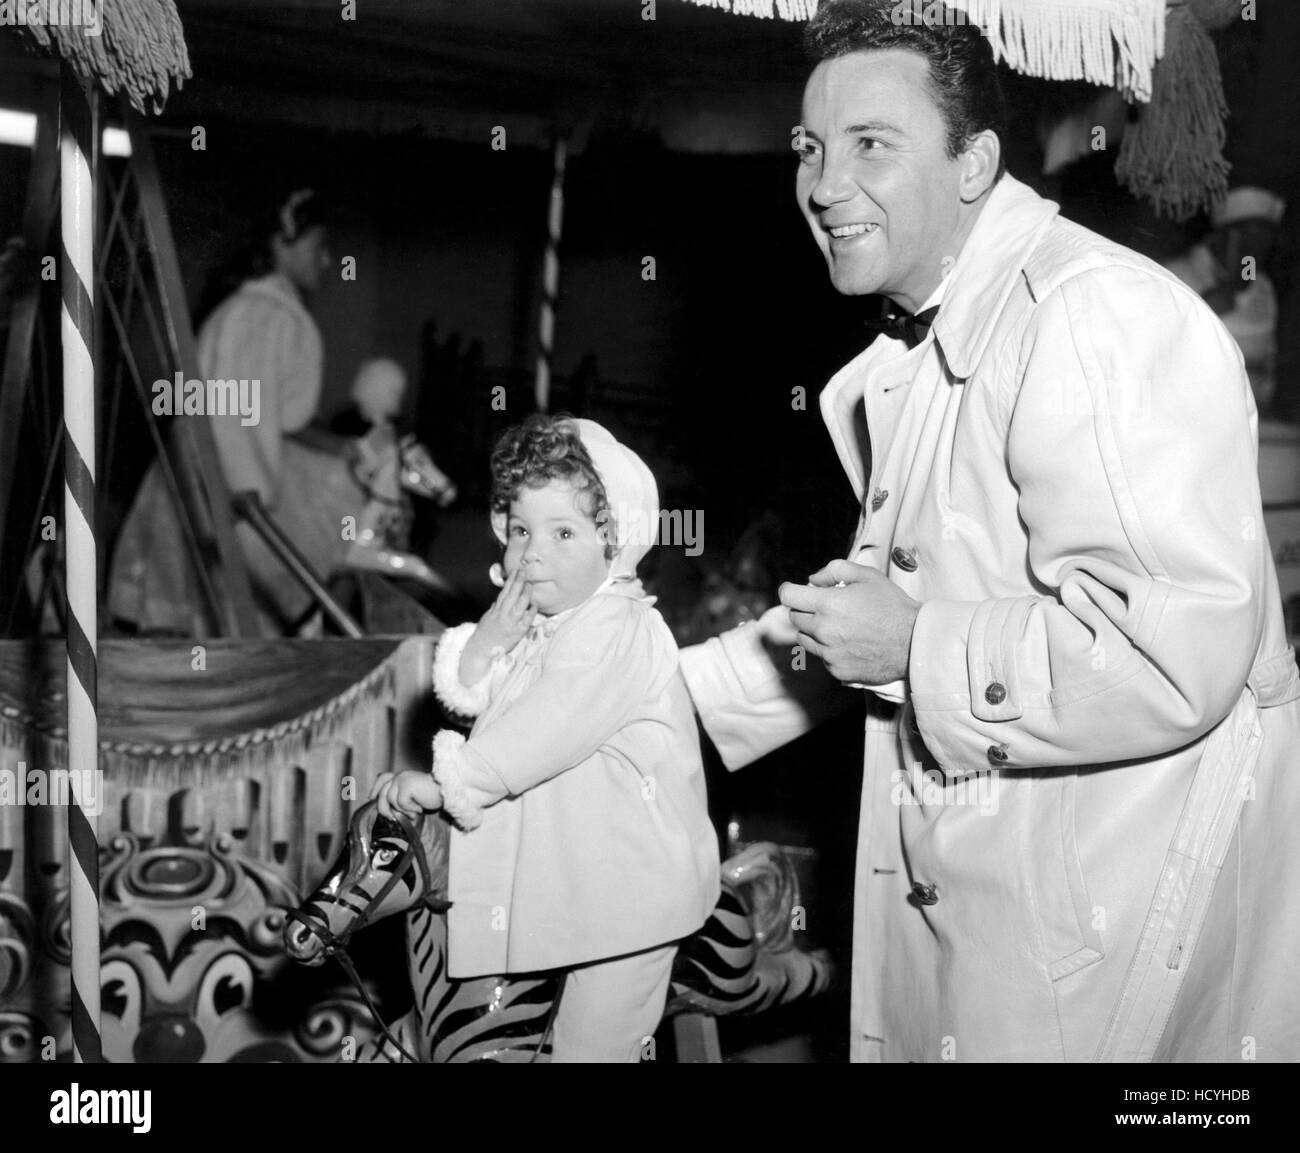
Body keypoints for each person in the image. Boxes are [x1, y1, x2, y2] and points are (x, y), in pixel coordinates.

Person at [680, 0, 1300, 1063]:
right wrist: (660, 696)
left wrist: (917, 647)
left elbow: (1170, 651)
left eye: (871, 144)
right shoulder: (941, 339)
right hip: (996, 920)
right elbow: (868, 617)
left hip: (1105, 948)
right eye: (811, 148)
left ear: (975, 163)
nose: (824, 185)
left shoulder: (1091, 315)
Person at [371, 415, 719, 1062]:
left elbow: (542, 730)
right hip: (573, 871)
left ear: (615, 542)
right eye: (521, 530)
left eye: (563, 533)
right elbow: (484, 689)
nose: (532, 553)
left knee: (596, 1040)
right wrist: (486, 644)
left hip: (632, 889)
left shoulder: (614, 626)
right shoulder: (546, 619)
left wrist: (448, 782)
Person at [109, 188, 360, 634]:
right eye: (320, 247)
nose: (327, 262)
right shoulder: (264, 317)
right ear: (282, 244)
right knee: (230, 617)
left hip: (214, 470)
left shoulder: (253, 311)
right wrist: (250, 502)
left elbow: (278, 415)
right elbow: (238, 416)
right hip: (229, 477)